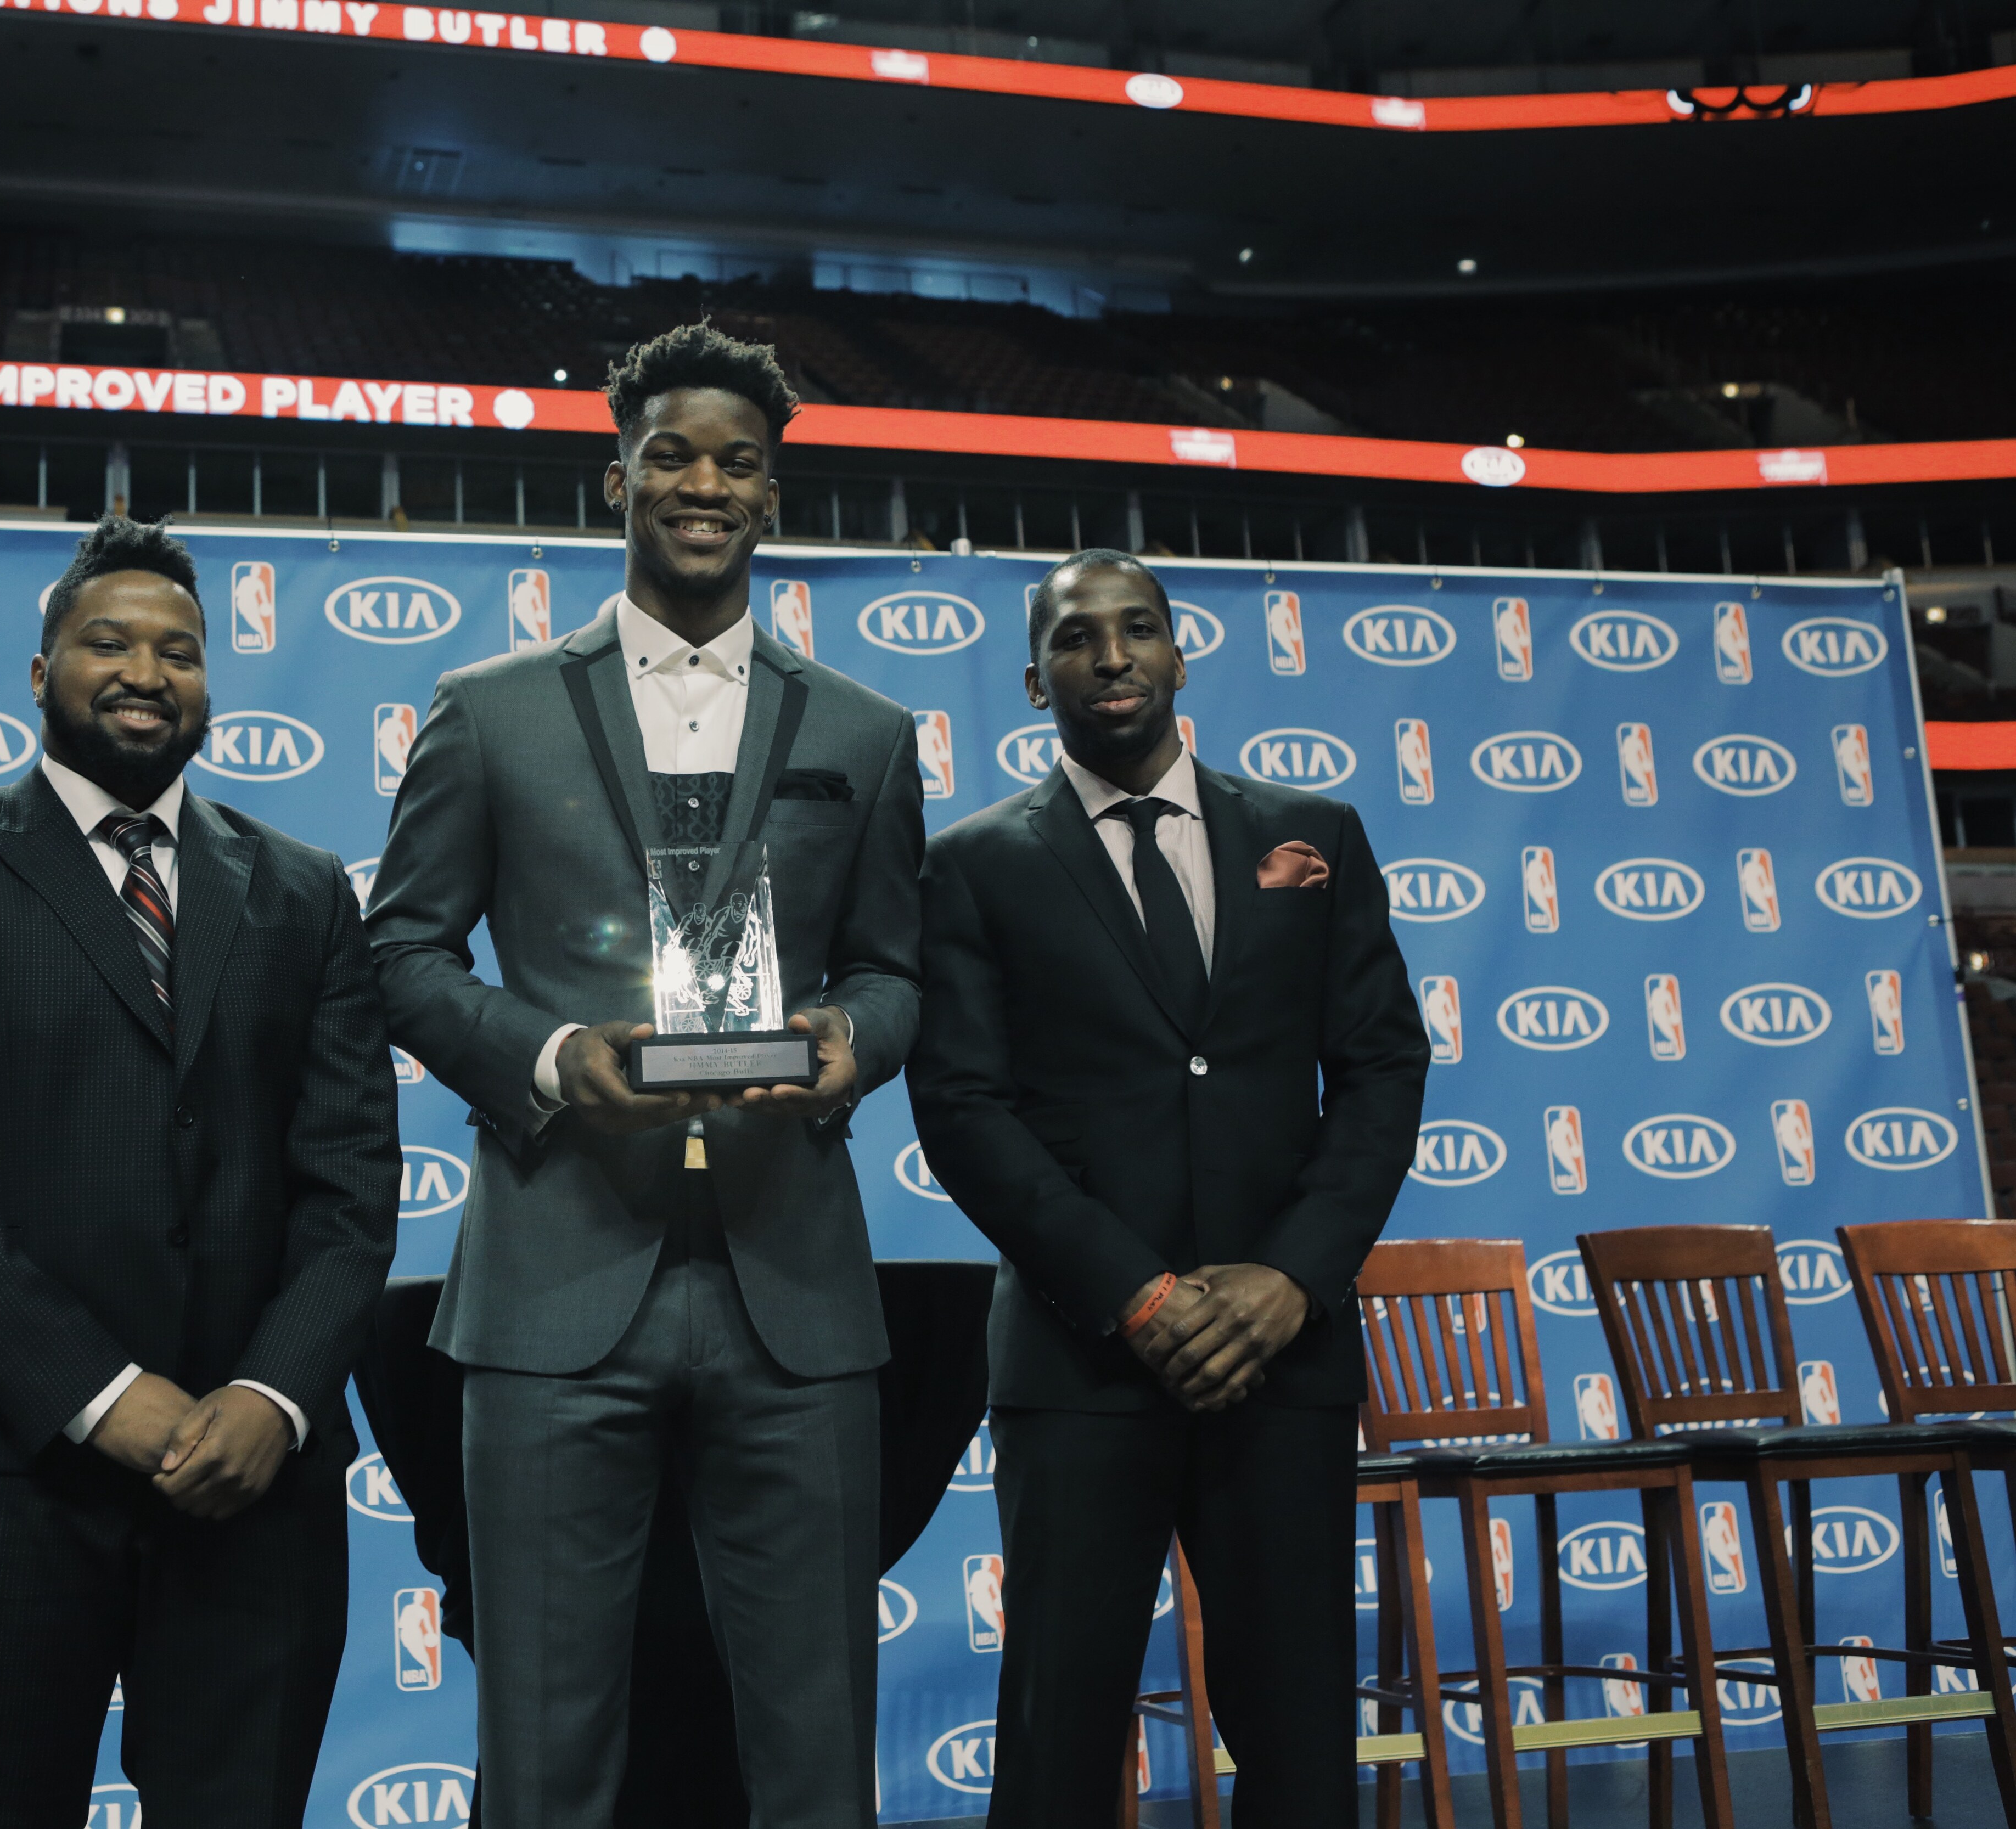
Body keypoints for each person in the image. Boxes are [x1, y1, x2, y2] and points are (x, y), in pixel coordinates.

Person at [366, 322, 923, 1829]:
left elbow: (898, 969)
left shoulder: (866, 734)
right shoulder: (491, 707)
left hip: (793, 1292)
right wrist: (546, 1054)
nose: (704, 482)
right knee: (545, 1758)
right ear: (616, 474)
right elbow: (402, 953)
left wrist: (851, 1041)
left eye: (739, 461)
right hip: (556, 1280)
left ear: (774, 497)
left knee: (817, 1753)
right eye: (672, 452)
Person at [0, 512, 400, 1828]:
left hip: (254, 1477)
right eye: (110, 642)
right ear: (39, 674)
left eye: (180, 651)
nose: (148, 671)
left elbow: (354, 1177)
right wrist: (101, 1394)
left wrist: (269, 1394)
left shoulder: (306, 893)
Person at [908, 549, 1427, 1828]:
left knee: (1300, 1726)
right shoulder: (973, 864)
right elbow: (965, 1113)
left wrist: (1290, 1277)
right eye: (1078, 639)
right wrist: (1136, 1294)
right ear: (1035, 679)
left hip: (1284, 1358)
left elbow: (1379, 1069)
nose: (1113, 654)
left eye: (1138, 628)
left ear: (1179, 654)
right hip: (1082, 1361)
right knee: (1059, 1729)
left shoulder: (1317, 836)